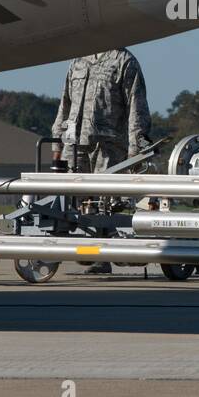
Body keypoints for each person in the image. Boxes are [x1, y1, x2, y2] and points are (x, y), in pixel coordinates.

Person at [51, 48, 152, 273]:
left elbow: (137, 106)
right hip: (74, 144)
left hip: (108, 145)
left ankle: (102, 256)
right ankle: (74, 247)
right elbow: (65, 104)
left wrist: (136, 150)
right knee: (75, 202)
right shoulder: (77, 60)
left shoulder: (124, 61)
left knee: (105, 204)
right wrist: (57, 143)